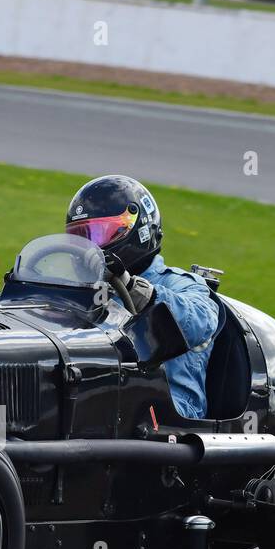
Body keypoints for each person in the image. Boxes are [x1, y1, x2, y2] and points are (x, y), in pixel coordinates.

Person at [64, 175, 218, 420]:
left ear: (138, 228)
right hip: (100, 396)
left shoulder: (181, 285)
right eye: (81, 237)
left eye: (98, 234)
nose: (89, 247)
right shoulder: (85, 289)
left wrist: (133, 288)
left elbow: (199, 322)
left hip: (171, 413)